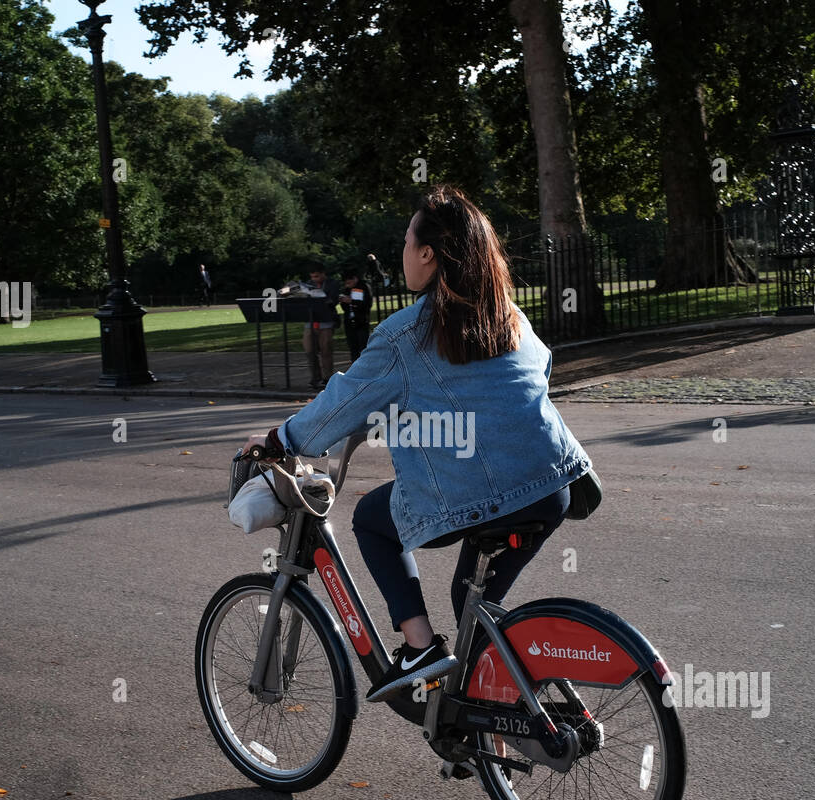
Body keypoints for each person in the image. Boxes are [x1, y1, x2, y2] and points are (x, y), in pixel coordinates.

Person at [242, 184, 591, 703]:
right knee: (474, 616)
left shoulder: (404, 334)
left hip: (483, 493)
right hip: (553, 484)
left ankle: (420, 648)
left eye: (406, 241)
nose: (402, 252)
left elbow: (339, 405)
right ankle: (484, 720)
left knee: (369, 519)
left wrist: (278, 439)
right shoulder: (510, 316)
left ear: (427, 253)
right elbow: (532, 374)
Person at [302, 263, 340, 388]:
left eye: (317, 276)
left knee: (326, 351)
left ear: (323, 274)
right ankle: (315, 377)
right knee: (309, 350)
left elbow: (333, 300)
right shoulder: (308, 284)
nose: (314, 279)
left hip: (326, 322)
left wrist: (321, 296)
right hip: (310, 322)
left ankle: (328, 378)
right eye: (312, 277)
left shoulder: (332, 284)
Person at [338, 267, 374, 362]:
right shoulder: (346, 289)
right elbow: (344, 307)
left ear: (354, 278)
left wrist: (351, 301)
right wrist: (343, 301)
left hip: (361, 321)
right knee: (353, 348)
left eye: (349, 282)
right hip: (349, 321)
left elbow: (367, 304)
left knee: (363, 347)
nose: (347, 285)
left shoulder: (364, 287)